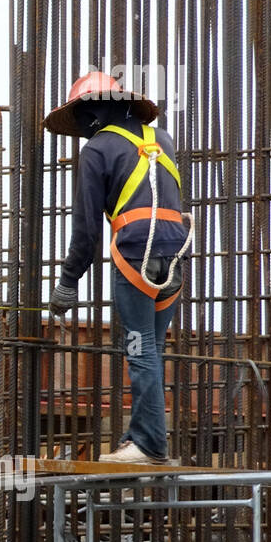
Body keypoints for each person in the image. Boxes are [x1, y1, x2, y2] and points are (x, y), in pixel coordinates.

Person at [45, 71, 192, 465]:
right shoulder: (162, 140)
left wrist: (67, 283)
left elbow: (87, 227)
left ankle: (149, 446)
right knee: (152, 349)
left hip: (134, 254)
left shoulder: (97, 148)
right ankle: (140, 436)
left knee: (139, 348)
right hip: (176, 253)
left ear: (91, 114)